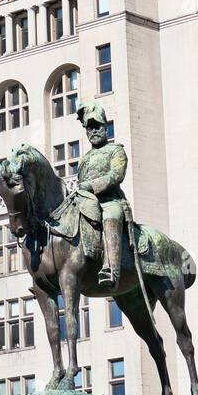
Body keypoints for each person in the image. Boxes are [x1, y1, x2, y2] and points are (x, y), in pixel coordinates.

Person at [74, 99, 130, 288]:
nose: (94, 131)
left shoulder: (116, 150)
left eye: (97, 126)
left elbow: (116, 175)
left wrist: (91, 186)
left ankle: (110, 270)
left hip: (110, 201)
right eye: (90, 128)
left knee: (110, 218)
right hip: (87, 203)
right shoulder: (84, 159)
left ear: (106, 127)